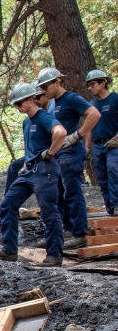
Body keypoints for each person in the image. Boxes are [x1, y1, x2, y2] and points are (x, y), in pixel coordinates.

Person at [0, 83, 66, 266]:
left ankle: (54, 256)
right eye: (15, 104)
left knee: (49, 213)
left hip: (45, 171)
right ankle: (9, 250)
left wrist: (51, 152)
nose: (18, 108)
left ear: (31, 99)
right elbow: (30, 148)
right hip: (30, 170)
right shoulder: (26, 122)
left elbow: (61, 132)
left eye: (20, 103)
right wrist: (25, 165)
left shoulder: (43, 117)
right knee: (7, 204)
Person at [36, 66, 100, 248]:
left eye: (45, 87)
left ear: (57, 82)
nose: (43, 91)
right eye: (41, 88)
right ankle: (66, 231)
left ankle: (80, 234)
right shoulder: (54, 103)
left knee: (73, 191)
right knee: (59, 193)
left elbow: (94, 114)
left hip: (72, 153)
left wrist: (78, 135)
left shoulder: (71, 98)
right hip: (59, 154)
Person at [87, 69, 118, 216]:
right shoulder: (91, 105)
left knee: (113, 171)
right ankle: (110, 208)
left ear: (103, 82)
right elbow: (88, 128)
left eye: (93, 84)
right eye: (88, 85)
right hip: (98, 145)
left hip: (114, 144)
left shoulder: (115, 99)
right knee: (102, 177)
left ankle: (117, 204)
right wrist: (87, 148)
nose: (90, 88)